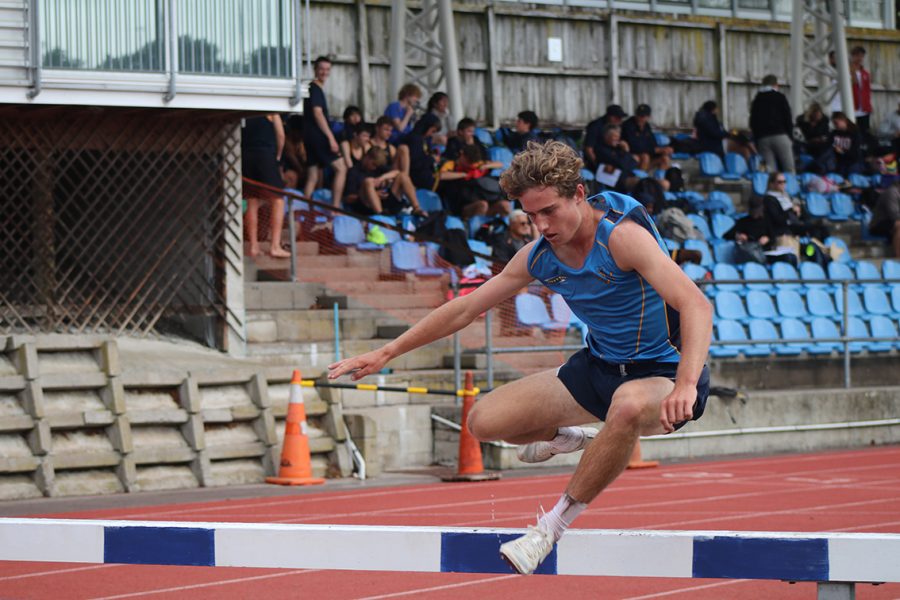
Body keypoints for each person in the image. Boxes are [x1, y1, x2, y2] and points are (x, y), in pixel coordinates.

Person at [328, 140, 712, 576]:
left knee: (625, 407)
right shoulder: (540, 257)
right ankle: (571, 438)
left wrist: (685, 383)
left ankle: (549, 528)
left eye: (549, 211)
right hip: (601, 365)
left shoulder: (623, 239)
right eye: (530, 215)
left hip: (664, 372)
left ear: (579, 194)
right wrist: (387, 351)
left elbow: (696, 305)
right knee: (484, 422)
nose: (540, 225)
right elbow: (464, 308)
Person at [302, 56, 348, 208]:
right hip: (318, 136)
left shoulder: (314, 88)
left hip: (309, 137)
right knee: (341, 168)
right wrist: (331, 138)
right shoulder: (314, 88)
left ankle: (304, 210)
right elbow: (317, 113)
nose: (324, 72)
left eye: (327, 69)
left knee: (313, 176)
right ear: (315, 69)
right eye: (321, 69)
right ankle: (335, 208)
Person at [242, 114, 290, 258]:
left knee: (252, 200)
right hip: (264, 154)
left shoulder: (244, 110)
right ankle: (275, 245)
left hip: (246, 155)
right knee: (278, 199)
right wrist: (278, 156)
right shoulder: (271, 111)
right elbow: (281, 136)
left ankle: (253, 246)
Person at [343, 147, 425, 216]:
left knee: (403, 175)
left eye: (377, 165)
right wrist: (372, 194)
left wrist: (381, 178)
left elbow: (396, 172)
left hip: (385, 201)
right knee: (369, 181)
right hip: (364, 204)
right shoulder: (354, 172)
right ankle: (380, 215)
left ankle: (416, 208)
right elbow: (348, 198)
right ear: (367, 157)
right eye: (373, 164)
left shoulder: (378, 168)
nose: (375, 167)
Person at [436, 144, 506, 217]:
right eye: (469, 162)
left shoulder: (475, 164)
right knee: (483, 205)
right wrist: (463, 174)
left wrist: (486, 166)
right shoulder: (451, 164)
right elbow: (442, 176)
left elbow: (499, 164)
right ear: (462, 154)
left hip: (481, 197)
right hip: (462, 204)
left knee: (505, 205)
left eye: (472, 163)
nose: (471, 165)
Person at [749, 74, 795, 173]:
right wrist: (790, 137)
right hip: (780, 135)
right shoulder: (780, 97)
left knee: (770, 171)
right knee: (789, 168)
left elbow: (753, 122)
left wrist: (757, 139)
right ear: (775, 85)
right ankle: (789, 187)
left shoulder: (757, 99)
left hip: (763, 138)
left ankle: (773, 187)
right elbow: (787, 118)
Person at [621, 104, 673, 172]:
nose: (639, 118)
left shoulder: (646, 126)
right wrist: (654, 150)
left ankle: (659, 178)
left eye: (642, 116)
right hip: (632, 154)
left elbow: (652, 143)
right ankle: (642, 179)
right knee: (645, 157)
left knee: (665, 158)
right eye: (638, 115)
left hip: (646, 153)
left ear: (648, 117)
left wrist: (663, 150)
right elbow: (633, 146)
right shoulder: (628, 125)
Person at [584, 104, 627, 171]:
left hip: (613, 155)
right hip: (600, 157)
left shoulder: (617, 125)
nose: (620, 120)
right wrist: (596, 164)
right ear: (611, 117)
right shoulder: (595, 126)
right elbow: (589, 149)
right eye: (618, 118)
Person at [796, 102, 831, 172]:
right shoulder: (802, 122)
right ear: (812, 114)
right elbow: (799, 136)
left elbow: (826, 135)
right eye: (816, 115)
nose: (818, 117)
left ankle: (818, 166)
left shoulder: (824, 122)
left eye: (819, 115)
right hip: (806, 145)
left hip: (819, 146)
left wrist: (819, 139)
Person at [870, 179, 900, 257]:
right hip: (879, 224)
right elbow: (894, 215)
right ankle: (898, 256)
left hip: (891, 222)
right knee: (899, 225)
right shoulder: (891, 192)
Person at [830, 112, 864, 177]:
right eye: (834, 123)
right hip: (840, 162)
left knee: (852, 177)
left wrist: (842, 152)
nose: (835, 125)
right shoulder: (834, 133)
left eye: (836, 123)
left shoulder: (855, 133)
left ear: (843, 120)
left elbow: (855, 151)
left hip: (853, 161)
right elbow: (829, 145)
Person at [849, 46, 873, 137]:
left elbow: (867, 91)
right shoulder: (847, 71)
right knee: (852, 132)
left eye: (861, 56)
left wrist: (868, 105)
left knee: (864, 132)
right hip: (852, 106)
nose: (859, 58)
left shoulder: (865, 73)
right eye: (857, 56)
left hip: (864, 108)